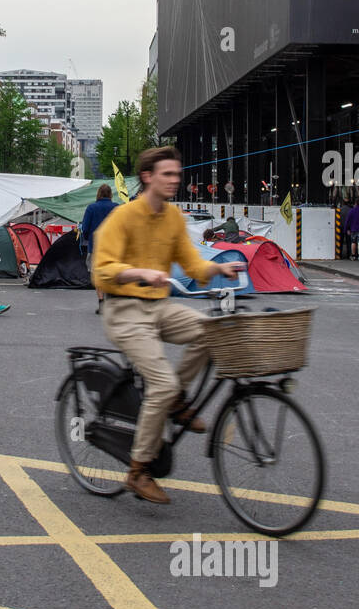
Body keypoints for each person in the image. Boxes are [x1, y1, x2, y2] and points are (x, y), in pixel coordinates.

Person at [92, 146, 243, 504]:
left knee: (212, 330)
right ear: (148, 177)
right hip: (124, 311)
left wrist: (218, 268)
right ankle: (138, 470)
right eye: (168, 174)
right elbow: (100, 269)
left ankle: (176, 401)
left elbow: (191, 264)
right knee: (161, 382)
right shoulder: (122, 217)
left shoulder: (174, 217)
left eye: (177, 174)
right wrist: (138, 272)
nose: (176, 180)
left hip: (158, 308)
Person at [79, 184, 117, 314]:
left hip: (96, 246)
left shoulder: (91, 208)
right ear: (110, 194)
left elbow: (85, 229)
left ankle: (102, 303)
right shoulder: (117, 207)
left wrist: (87, 238)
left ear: (98, 194)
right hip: (114, 247)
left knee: (97, 274)